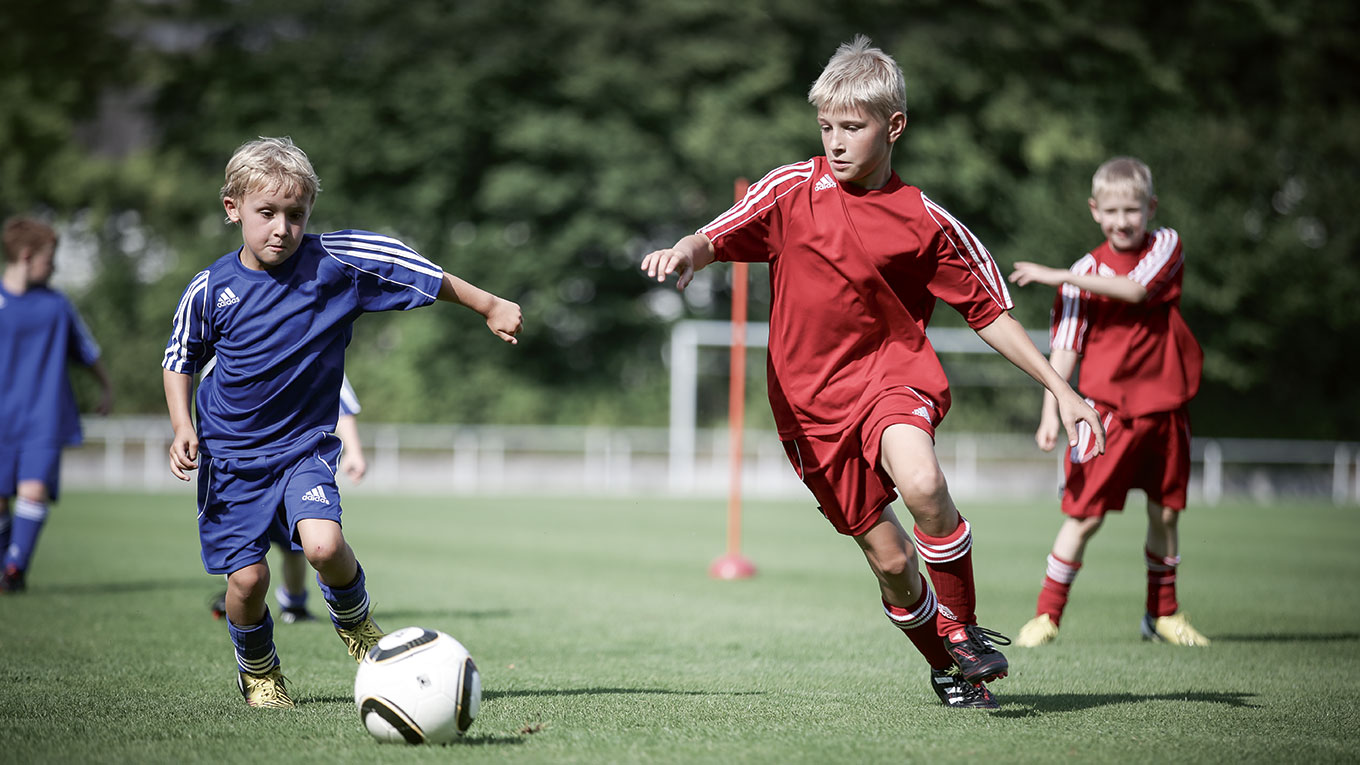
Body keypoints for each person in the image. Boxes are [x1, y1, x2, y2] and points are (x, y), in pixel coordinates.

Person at [641, 36, 1105, 709]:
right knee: (891, 563)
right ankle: (946, 665)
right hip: (808, 407)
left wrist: (1061, 387)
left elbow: (989, 312)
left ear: (894, 128)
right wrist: (684, 253)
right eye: (826, 125)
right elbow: (715, 234)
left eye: (852, 127)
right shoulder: (790, 191)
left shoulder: (926, 222)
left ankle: (964, 628)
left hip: (893, 377)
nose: (835, 141)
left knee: (921, 480)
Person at [163, 136, 522, 708]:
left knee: (325, 546)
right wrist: (183, 425)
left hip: (303, 447)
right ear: (232, 209)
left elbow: (416, 269)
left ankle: (357, 626)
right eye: (267, 213)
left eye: (296, 214)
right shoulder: (212, 289)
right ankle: (257, 666)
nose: (282, 227)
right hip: (229, 458)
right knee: (248, 582)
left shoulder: (337, 264)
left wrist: (487, 304)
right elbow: (179, 358)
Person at [1008, 156, 1209, 648]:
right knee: (1084, 517)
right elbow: (1066, 349)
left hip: (1165, 409)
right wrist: (1050, 412)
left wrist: (1060, 276)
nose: (1123, 221)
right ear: (1095, 211)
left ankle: (1162, 615)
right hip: (1103, 417)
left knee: (1165, 513)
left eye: (1132, 210)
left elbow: (1137, 290)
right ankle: (1046, 616)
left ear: (1150, 208)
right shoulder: (1082, 272)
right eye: (1112, 211)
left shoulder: (1166, 245)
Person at [0, 217, 114, 594]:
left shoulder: (56, 305)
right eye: (51, 258)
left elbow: (86, 350)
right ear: (27, 256)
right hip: (3, 420)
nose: (55, 266)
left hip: (44, 417)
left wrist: (105, 386)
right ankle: (6, 563)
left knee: (33, 492)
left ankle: (15, 569)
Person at [209, 374, 367, 623]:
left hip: (296, 463)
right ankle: (239, 600)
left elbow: (341, 398)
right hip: (242, 464)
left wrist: (354, 451)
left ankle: (294, 605)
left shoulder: (317, 341)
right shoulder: (231, 345)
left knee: (299, 543)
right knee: (242, 552)